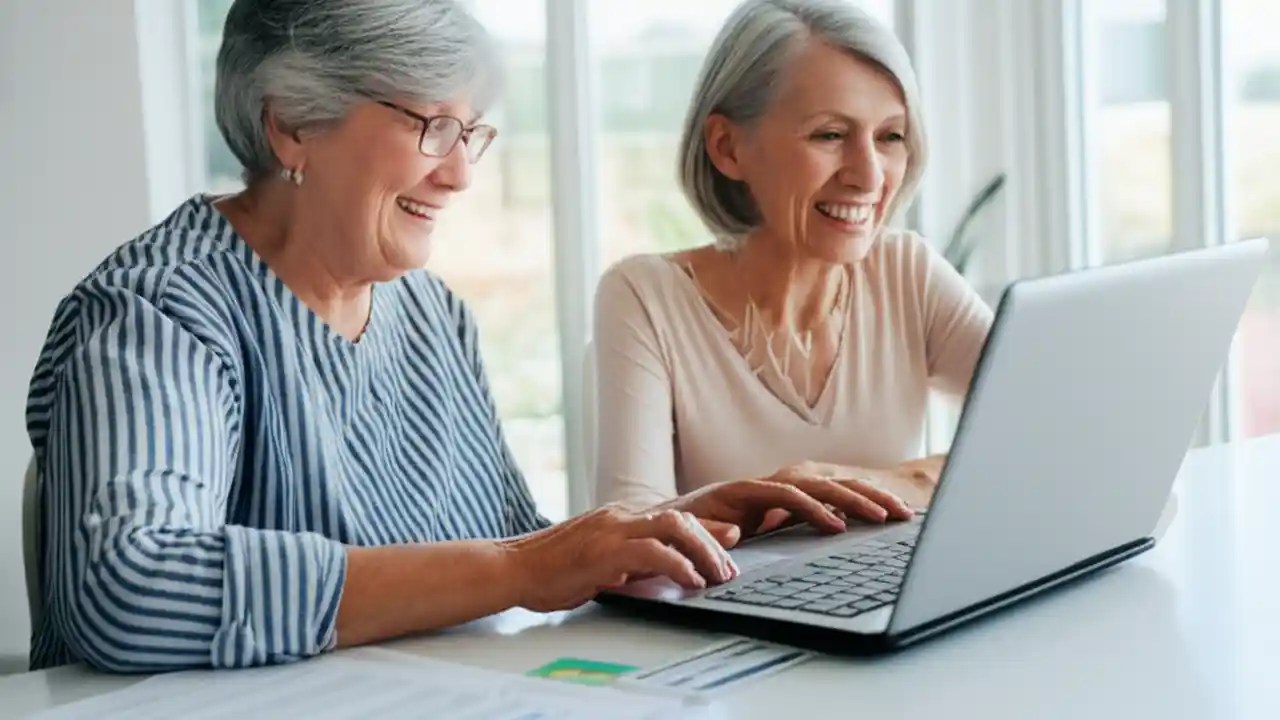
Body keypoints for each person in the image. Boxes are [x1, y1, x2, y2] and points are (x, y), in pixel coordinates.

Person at [25, 0, 913, 673]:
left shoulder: (429, 315)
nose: (457, 174)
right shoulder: (158, 311)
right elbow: (131, 588)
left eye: (472, 132)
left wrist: (673, 527)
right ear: (291, 121)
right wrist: (529, 564)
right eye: (429, 126)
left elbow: (507, 561)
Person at [593, 0, 994, 515]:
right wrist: (813, 499)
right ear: (728, 147)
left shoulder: (906, 272)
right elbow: (624, 533)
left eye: (890, 136)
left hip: (890, 594)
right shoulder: (645, 296)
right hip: (727, 594)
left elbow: (1053, 420)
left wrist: (886, 482)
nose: (870, 176)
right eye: (830, 135)